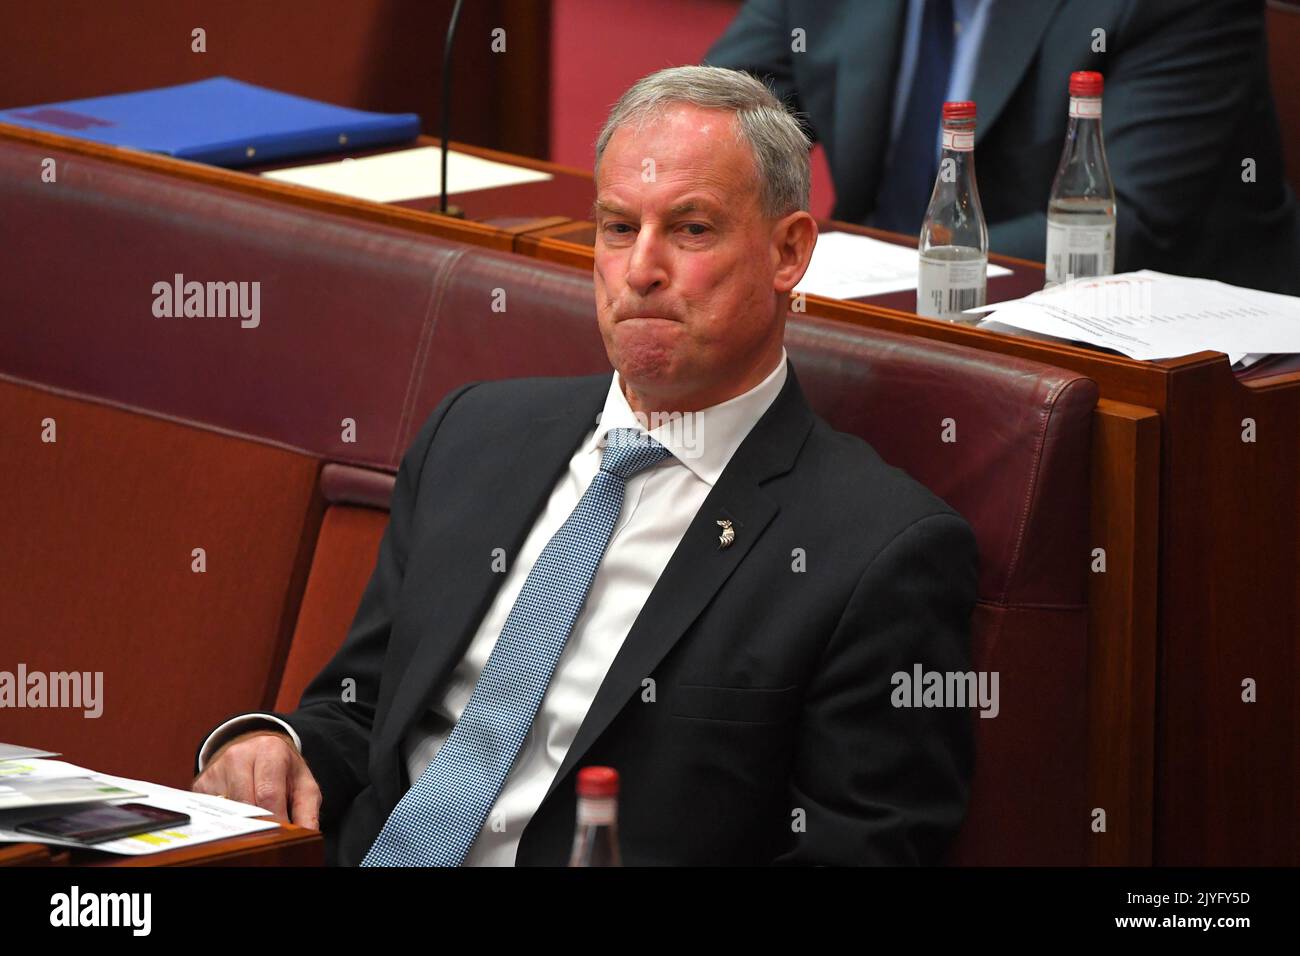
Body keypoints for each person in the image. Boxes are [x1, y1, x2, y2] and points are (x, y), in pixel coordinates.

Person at [191, 65, 980, 866]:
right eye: (616, 227)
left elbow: (858, 854)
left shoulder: (878, 550)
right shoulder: (474, 437)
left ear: (788, 252)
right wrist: (274, 744)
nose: (641, 269)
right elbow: (362, 713)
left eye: (692, 229)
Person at [705, 0, 1300, 295]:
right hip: (879, 318)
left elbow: (1124, 226)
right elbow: (708, 122)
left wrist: (861, 274)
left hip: (1146, 364)